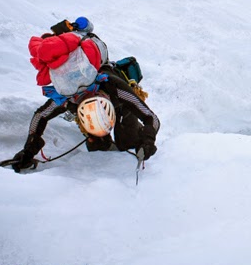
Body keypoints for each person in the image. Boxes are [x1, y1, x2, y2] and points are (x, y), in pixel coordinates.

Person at [9, 19, 160, 173]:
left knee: (128, 142)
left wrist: (147, 140)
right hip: (95, 113)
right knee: (98, 148)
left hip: (121, 106)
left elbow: (150, 117)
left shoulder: (112, 87)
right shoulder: (69, 95)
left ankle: (127, 134)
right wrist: (28, 151)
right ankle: (100, 138)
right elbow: (40, 117)